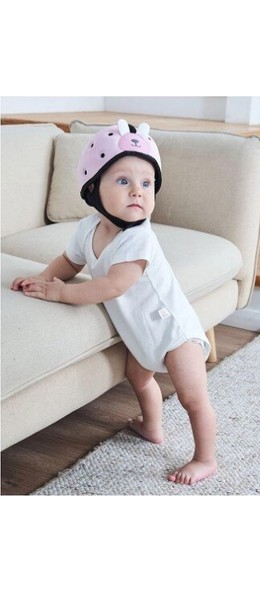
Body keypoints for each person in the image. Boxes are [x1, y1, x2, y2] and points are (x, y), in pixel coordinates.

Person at [11, 120, 217, 485]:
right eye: (123, 181)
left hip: (174, 331)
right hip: (141, 333)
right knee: (138, 378)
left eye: (147, 184)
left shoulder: (140, 240)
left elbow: (112, 286)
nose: (138, 191)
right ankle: (152, 426)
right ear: (93, 187)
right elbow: (69, 262)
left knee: (193, 398)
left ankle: (205, 458)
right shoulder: (88, 228)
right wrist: (44, 278)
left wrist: (61, 292)